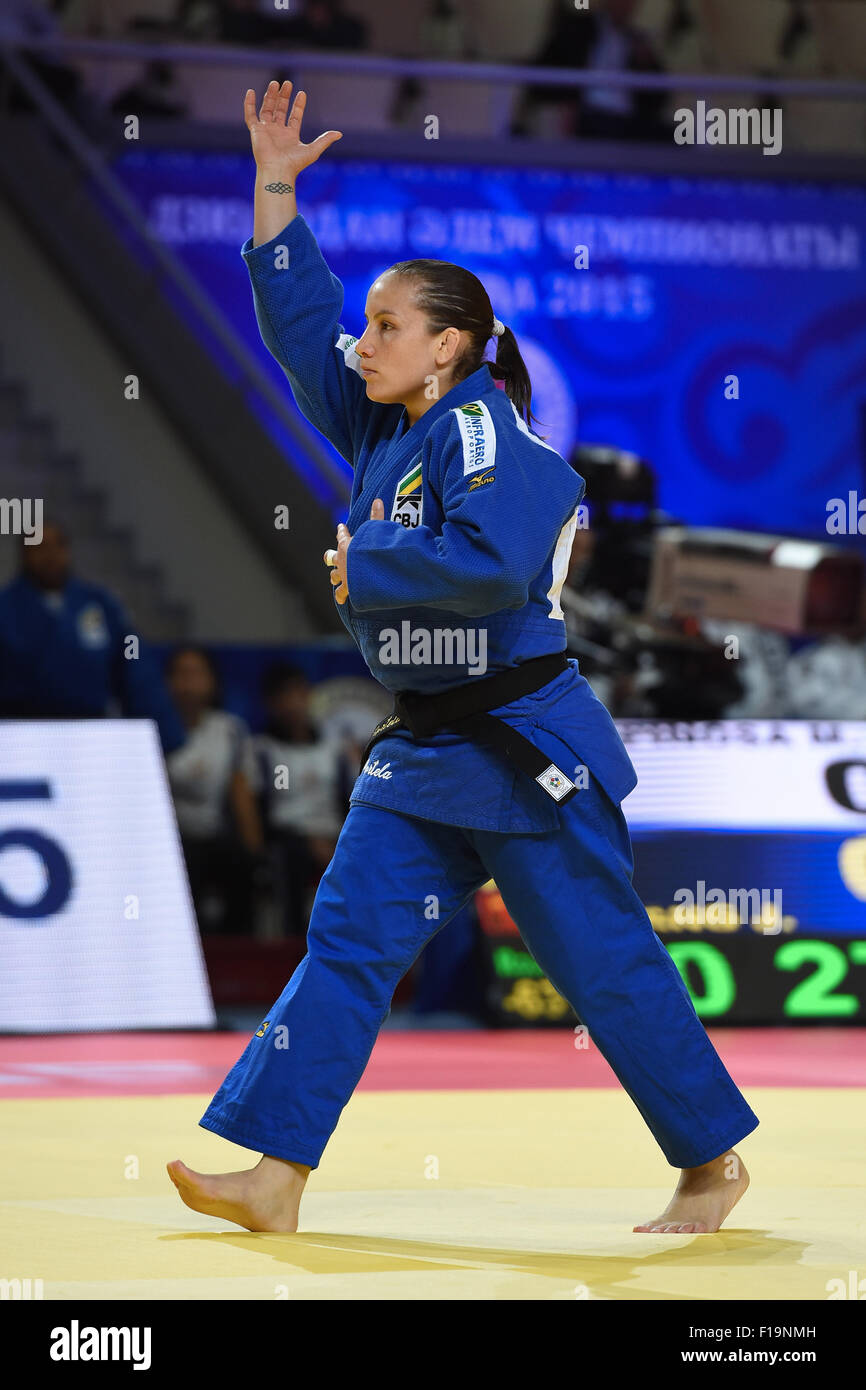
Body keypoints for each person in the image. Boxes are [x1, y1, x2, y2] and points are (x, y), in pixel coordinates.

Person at [167, 80, 759, 1235]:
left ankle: (710, 1160)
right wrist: (274, 191)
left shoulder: (492, 434)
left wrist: (364, 563)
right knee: (345, 942)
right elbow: (301, 334)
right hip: (430, 744)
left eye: (388, 327)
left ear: (446, 346)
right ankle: (274, 1174)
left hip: (521, 745)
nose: (365, 339)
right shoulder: (392, 421)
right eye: (371, 322)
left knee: (598, 965)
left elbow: (489, 565)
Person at [0, 522, 185, 754]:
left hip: (90, 733)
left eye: (58, 546)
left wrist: (164, 732)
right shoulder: (5, 609)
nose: (50, 555)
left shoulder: (99, 605)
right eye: (39, 547)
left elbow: (134, 658)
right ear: (24, 555)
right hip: (21, 735)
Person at [165, 646, 264, 934]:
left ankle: (237, 960)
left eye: (196, 674)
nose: (188, 684)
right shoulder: (152, 725)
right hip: (170, 841)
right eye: (180, 675)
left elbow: (242, 793)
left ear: (212, 682)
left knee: (242, 866)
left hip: (215, 837)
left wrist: (256, 857)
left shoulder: (230, 730)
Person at [255, 661, 348, 935]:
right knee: (289, 859)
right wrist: (308, 843)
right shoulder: (261, 749)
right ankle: (292, 945)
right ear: (271, 703)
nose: (292, 704)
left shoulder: (334, 750)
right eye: (283, 696)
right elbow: (261, 816)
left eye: (298, 693)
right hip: (288, 842)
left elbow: (348, 805)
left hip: (334, 839)